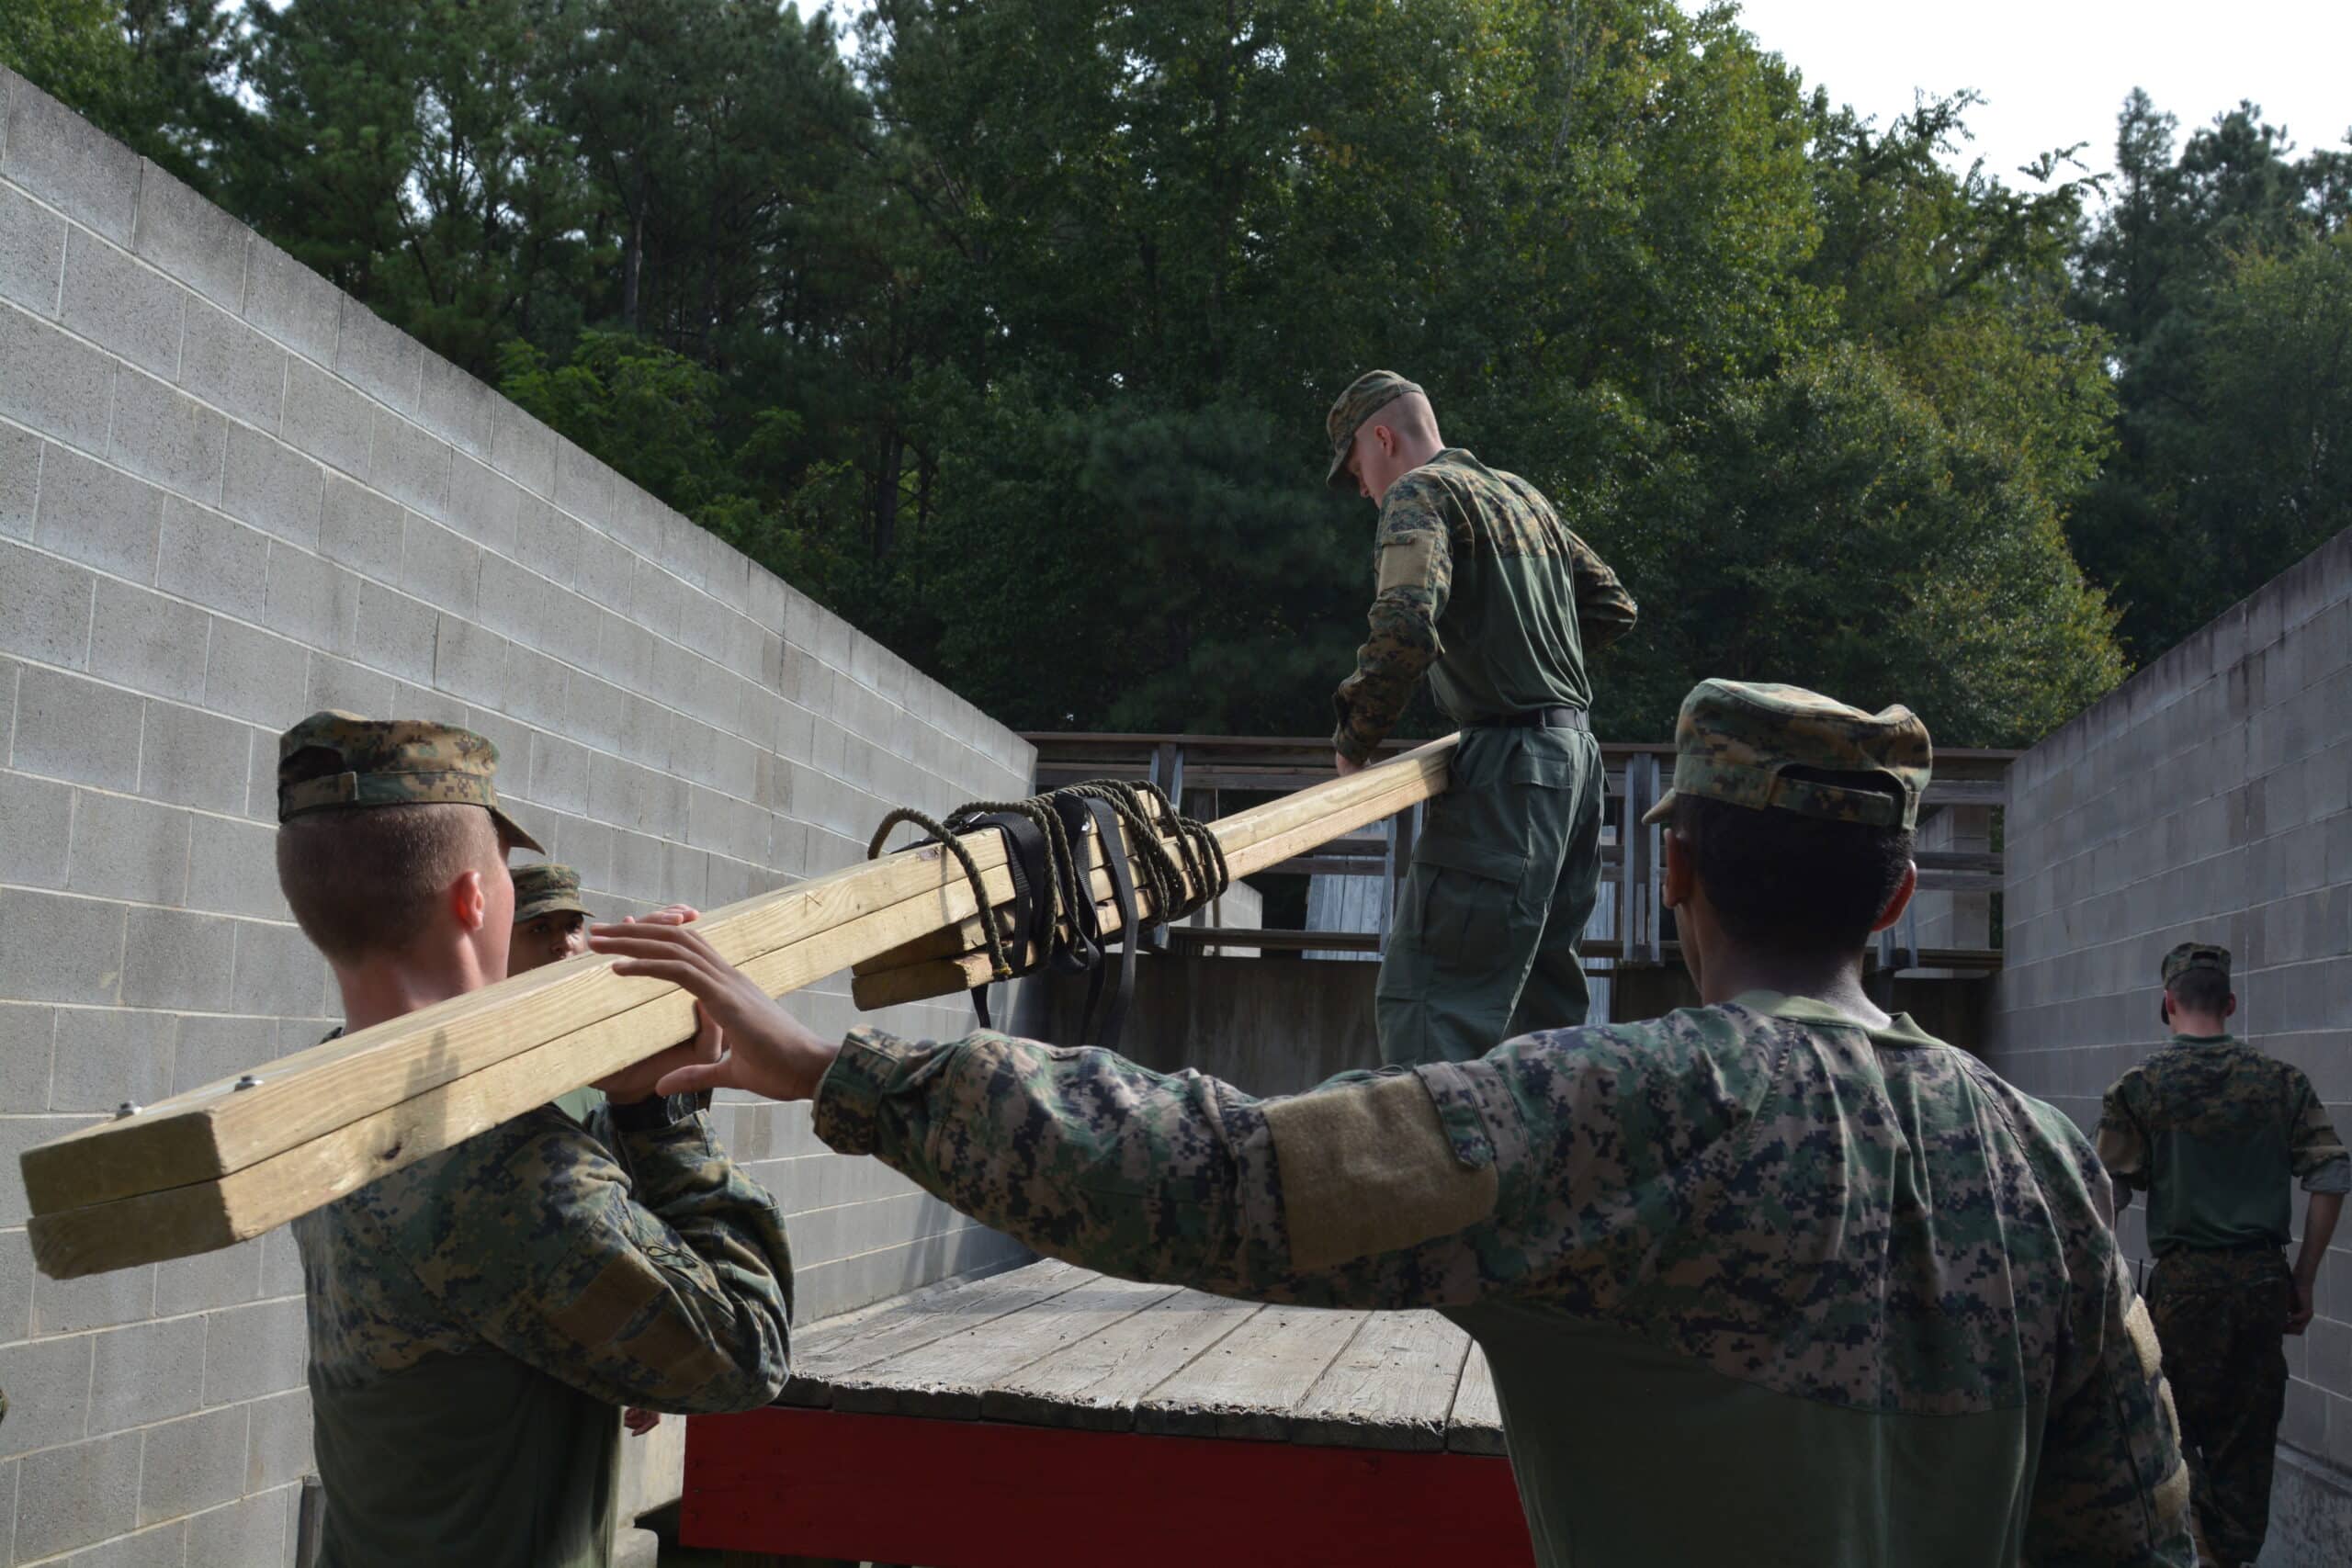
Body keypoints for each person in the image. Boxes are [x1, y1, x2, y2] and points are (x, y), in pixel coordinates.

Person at [593, 679, 2194, 1568]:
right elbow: (2137, 1540)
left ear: (1677, 870)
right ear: (1900, 895)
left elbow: (1222, 1180)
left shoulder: (1612, 1110)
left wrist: (834, 1069)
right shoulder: (2044, 1166)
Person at [274, 712, 793, 1568]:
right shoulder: (509, 1168)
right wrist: (658, 1117)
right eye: (508, 874)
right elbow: (747, 1347)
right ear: (473, 898)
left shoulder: (322, 1100)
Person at [1322, 369, 1638, 1065]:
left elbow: (1405, 624)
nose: (1364, 490)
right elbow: (1614, 604)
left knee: (1429, 1004)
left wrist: (1357, 738)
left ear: (1382, 439)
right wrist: (1521, 645)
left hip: (1509, 773)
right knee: (1542, 1012)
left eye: (1356, 471)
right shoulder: (1520, 496)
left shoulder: (1420, 493)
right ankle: (1549, 1167)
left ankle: (1434, 1174)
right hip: (1577, 769)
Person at [2097, 944, 2348, 1568]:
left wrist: (2104, 1293)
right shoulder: (2281, 1083)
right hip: (2262, 1286)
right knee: (2247, 1444)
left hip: (2182, 1290)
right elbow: (2331, 1172)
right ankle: (2226, 1554)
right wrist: (2304, 1277)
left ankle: (2188, 1550)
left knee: (2167, 1439)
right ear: (2230, 1003)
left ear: (2168, 1002)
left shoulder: (2139, 1089)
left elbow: (2104, 1196)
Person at [504, 858, 673, 1439]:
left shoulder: (600, 1056)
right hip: (501, 1357)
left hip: (589, 1343)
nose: (562, 944)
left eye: (571, 927)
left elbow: (633, 1208)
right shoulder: (483, 1052)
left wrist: (645, 1354)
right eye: (538, 930)